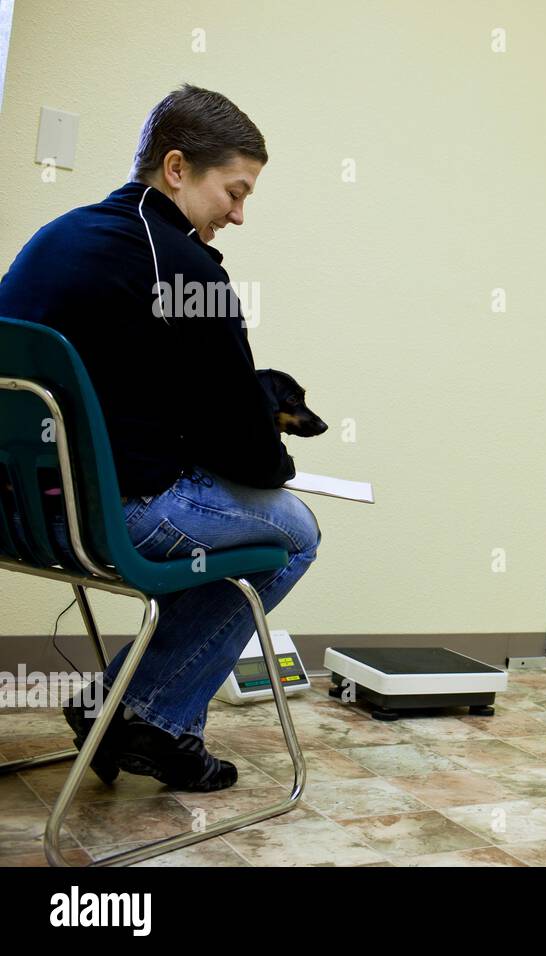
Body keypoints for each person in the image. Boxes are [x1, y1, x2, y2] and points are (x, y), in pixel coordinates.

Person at [0, 84, 322, 792]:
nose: (239, 215)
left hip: (18, 516)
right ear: (176, 169)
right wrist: (282, 460)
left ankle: (122, 706)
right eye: (233, 192)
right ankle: (147, 715)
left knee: (218, 542)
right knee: (295, 531)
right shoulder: (186, 267)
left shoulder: (57, 237)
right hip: (106, 517)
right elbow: (247, 445)